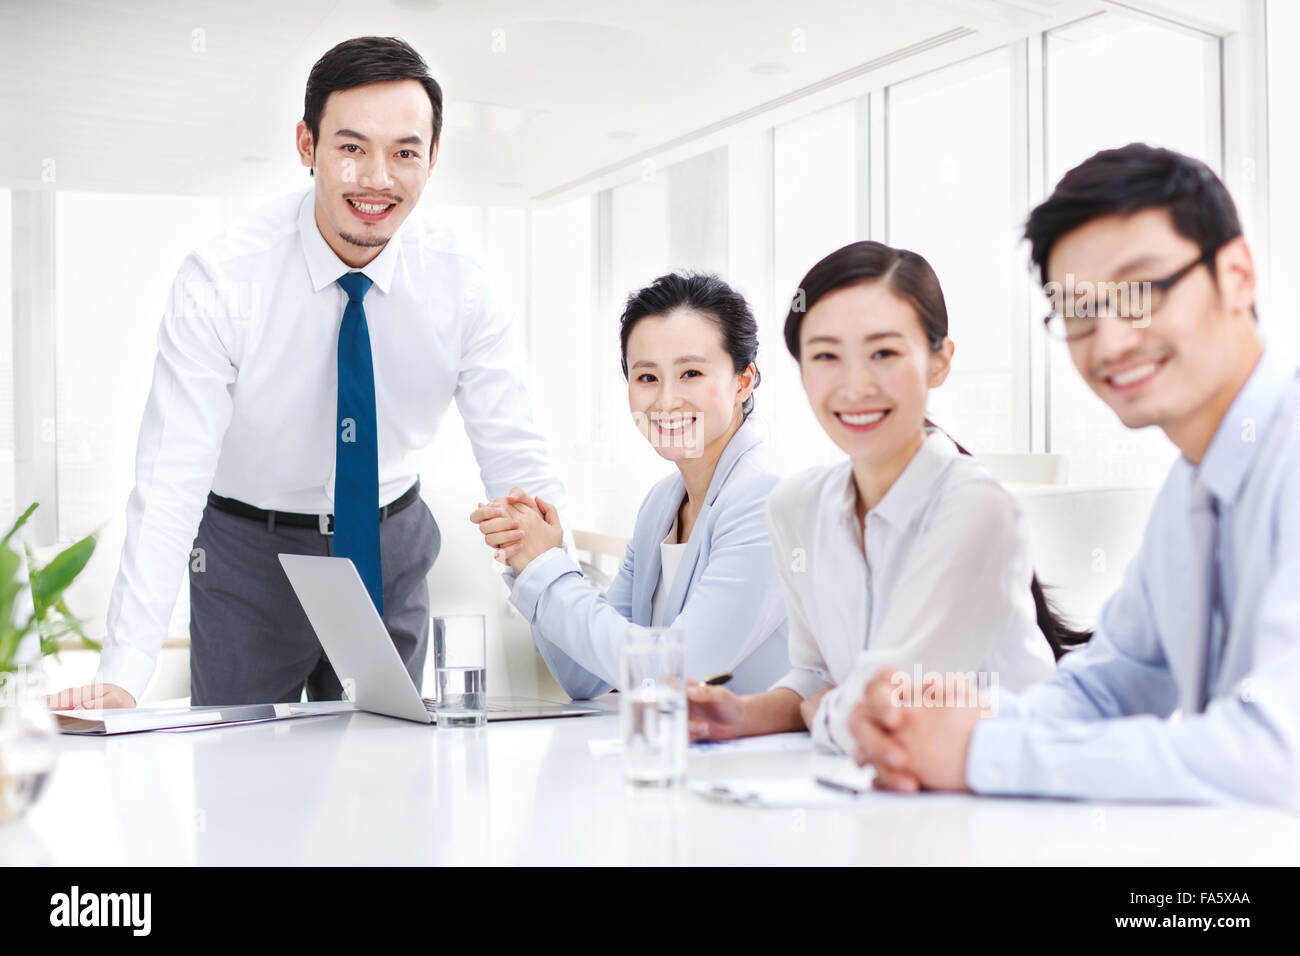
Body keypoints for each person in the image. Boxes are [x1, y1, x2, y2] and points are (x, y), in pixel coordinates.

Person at [47, 36, 566, 710]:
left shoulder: (459, 285)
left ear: (432, 158)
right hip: (246, 558)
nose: (377, 178)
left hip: (389, 543)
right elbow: (172, 478)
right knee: (240, 787)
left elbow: (520, 462)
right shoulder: (224, 280)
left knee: (383, 778)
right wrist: (123, 671)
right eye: (351, 147)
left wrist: (579, 631)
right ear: (306, 145)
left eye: (405, 152)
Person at [852, 143, 1300, 810]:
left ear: (1236, 275)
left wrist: (979, 753)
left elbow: (1278, 755)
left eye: (1141, 292)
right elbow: (1104, 690)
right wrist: (928, 718)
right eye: (1081, 311)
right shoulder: (1192, 488)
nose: (1112, 341)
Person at [688, 241, 1079, 747]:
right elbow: (817, 675)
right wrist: (742, 714)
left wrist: (827, 709)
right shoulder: (796, 507)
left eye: (884, 353)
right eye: (826, 355)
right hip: (884, 794)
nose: (855, 386)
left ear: (939, 362)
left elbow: (887, 710)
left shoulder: (976, 507)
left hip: (1000, 791)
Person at [468, 272, 790, 698]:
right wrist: (531, 557)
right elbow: (590, 678)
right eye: (647, 378)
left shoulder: (765, 500)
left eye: (691, 373)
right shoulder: (661, 505)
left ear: (743, 381)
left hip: (754, 761)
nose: (667, 400)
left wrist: (549, 570)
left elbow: (677, 672)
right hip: (670, 755)